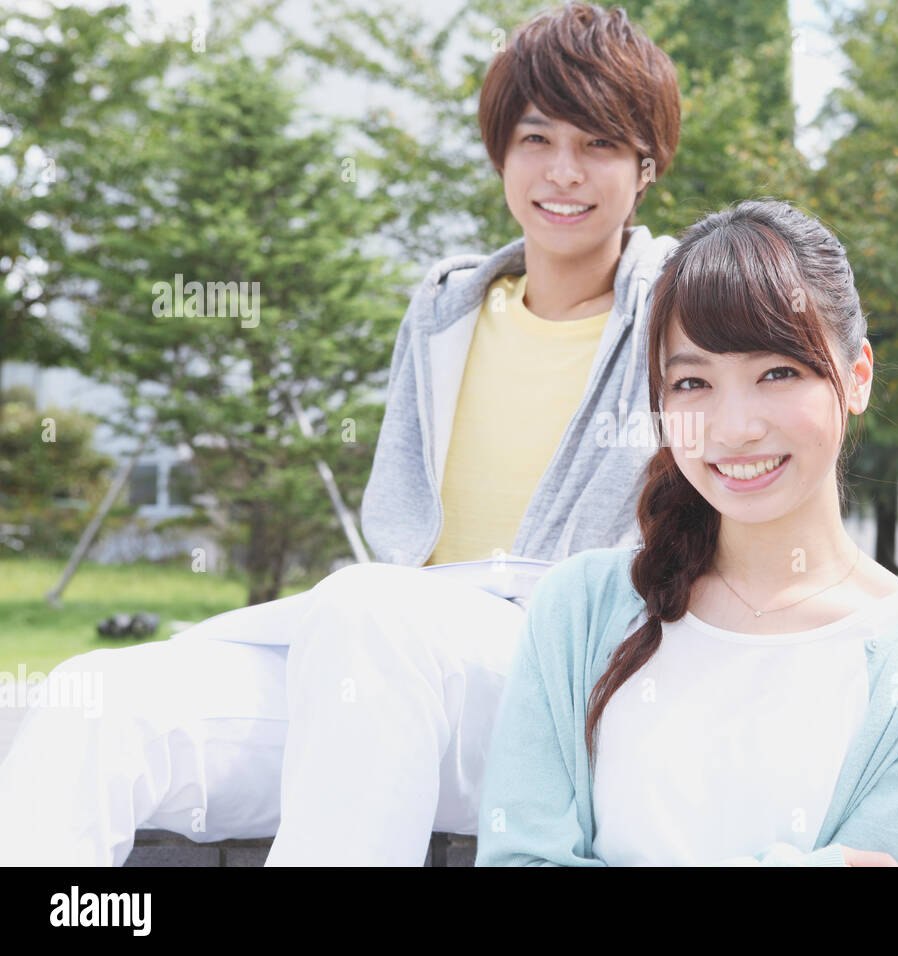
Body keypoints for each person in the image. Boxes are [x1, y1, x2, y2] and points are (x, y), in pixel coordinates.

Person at [0, 1, 681, 866]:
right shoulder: (443, 310)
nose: (563, 173)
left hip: (558, 689)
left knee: (367, 607)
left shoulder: (681, 314)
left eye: (598, 146)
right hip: (385, 679)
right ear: (501, 153)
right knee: (91, 695)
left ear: (645, 167)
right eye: (537, 140)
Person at [473, 199, 898, 867]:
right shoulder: (578, 609)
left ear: (857, 377)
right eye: (693, 382)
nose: (734, 427)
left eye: (777, 373)